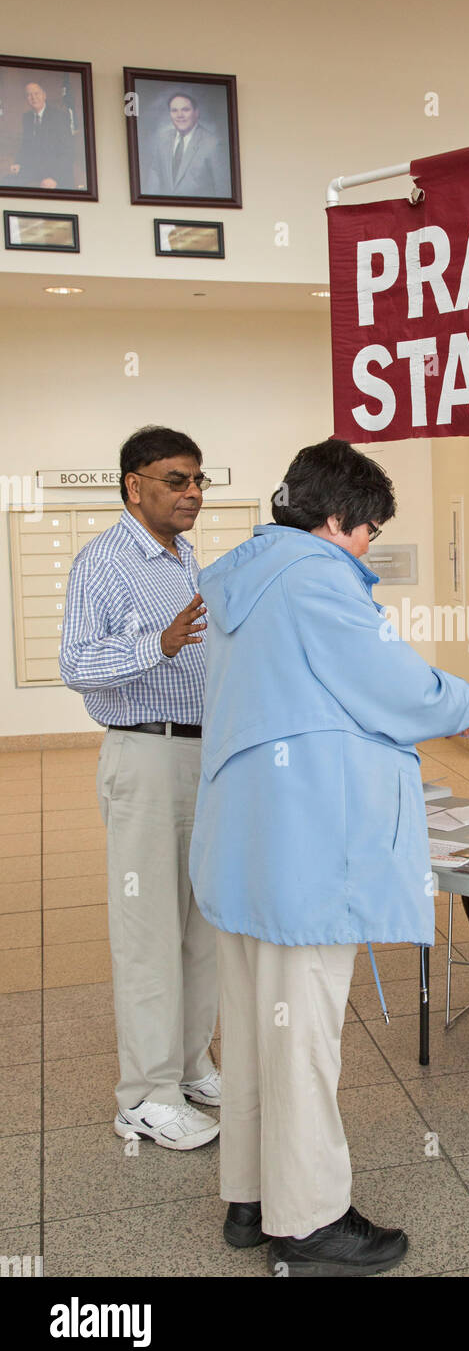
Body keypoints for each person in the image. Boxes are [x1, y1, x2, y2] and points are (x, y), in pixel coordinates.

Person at [189, 438, 469, 1277]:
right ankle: (311, 1221)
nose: (369, 549)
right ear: (334, 521)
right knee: (303, 1034)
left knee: (254, 1028)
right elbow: (390, 685)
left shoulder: (246, 575)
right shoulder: (317, 577)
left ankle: (251, 1198)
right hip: (305, 851)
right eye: (367, 533)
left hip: (247, 842)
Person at [60, 426, 221, 1151]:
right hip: (145, 756)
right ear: (134, 485)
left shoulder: (185, 557)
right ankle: (145, 1097)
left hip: (200, 755)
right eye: (175, 480)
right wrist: (152, 645)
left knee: (200, 928)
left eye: (197, 480)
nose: (191, 493)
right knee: (150, 932)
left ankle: (189, 1065)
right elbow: (76, 664)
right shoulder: (104, 561)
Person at [144, 92, 229, 198]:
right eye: (174, 110)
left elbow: (223, 191)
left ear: (196, 113)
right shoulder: (162, 140)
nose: (180, 115)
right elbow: (153, 185)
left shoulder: (213, 144)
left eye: (185, 110)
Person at [4, 81, 74, 189]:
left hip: (55, 171)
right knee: (6, 182)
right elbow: (25, 145)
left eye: (36, 94)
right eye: (29, 95)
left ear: (44, 95)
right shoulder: (27, 117)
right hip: (33, 168)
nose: (33, 98)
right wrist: (18, 163)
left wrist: (55, 178)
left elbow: (67, 152)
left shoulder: (59, 116)